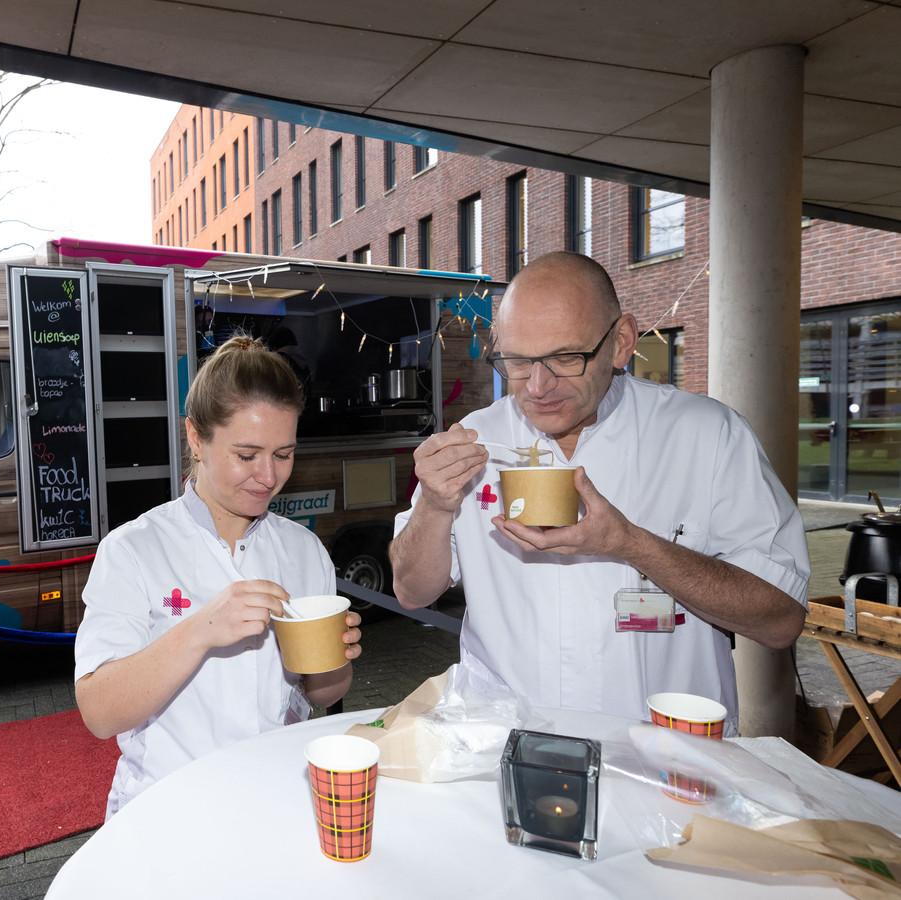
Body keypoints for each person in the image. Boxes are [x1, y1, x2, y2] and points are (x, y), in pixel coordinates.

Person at [389, 251, 809, 734]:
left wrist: (628, 544)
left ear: (622, 342)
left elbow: (780, 621)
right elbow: (410, 591)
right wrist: (435, 506)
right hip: (505, 745)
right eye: (518, 361)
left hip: (666, 756)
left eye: (566, 357)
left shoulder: (707, 435)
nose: (538, 386)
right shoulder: (475, 437)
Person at [74, 334, 363, 818]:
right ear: (195, 438)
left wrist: (336, 662)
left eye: (285, 454)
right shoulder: (134, 550)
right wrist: (201, 630)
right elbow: (100, 712)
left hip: (277, 799)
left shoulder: (304, 549)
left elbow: (322, 692)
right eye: (247, 455)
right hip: (167, 811)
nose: (268, 477)